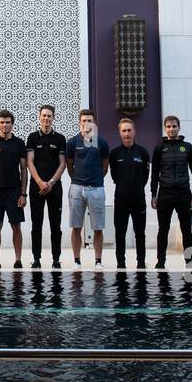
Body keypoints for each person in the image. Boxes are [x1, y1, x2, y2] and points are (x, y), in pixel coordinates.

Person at [151, 114, 192, 269]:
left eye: (174, 126)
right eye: (168, 126)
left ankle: (189, 262)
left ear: (179, 128)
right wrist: (153, 195)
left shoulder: (187, 147)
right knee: (163, 229)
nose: (171, 129)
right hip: (165, 194)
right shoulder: (160, 148)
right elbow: (154, 173)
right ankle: (161, 261)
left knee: (186, 230)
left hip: (184, 194)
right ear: (165, 129)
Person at [65, 108, 109, 270]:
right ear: (80, 122)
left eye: (89, 120)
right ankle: (77, 260)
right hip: (76, 188)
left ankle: (98, 260)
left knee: (98, 227)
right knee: (76, 226)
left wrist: (95, 179)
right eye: (84, 120)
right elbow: (69, 165)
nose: (86, 123)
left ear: (94, 122)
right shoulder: (72, 142)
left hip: (96, 188)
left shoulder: (102, 143)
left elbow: (105, 166)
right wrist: (77, 179)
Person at [0, 109, 27, 269]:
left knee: (16, 226)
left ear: (12, 124)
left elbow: (23, 170)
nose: (5, 125)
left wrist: (23, 194)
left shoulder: (20, 143)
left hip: (14, 192)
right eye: (2, 122)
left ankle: (18, 260)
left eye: (8, 122)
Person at [25, 105, 67, 269]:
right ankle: (36, 259)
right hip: (36, 188)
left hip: (55, 188)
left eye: (49, 116)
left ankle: (56, 259)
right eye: (44, 116)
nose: (46, 118)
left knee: (55, 225)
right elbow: (29, 162)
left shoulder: (60, 139)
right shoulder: (33, 137)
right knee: (37, 225)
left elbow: (63, 163)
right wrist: (40, 183)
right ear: (39, 117)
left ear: (53, 118)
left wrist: (50, 183)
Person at [109, 118, 150, 269]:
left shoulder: (143, 152)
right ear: (120, 133)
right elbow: (114, 176)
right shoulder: (114, 153)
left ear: (134, 131)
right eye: (124, 131)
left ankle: (141, 263)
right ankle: (121, 263)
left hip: (138, 199)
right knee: (120, 233)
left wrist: (136, 187)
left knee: (140, 233)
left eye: (129, 130)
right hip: (121, 200)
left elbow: (145, 175)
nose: (127, 133)